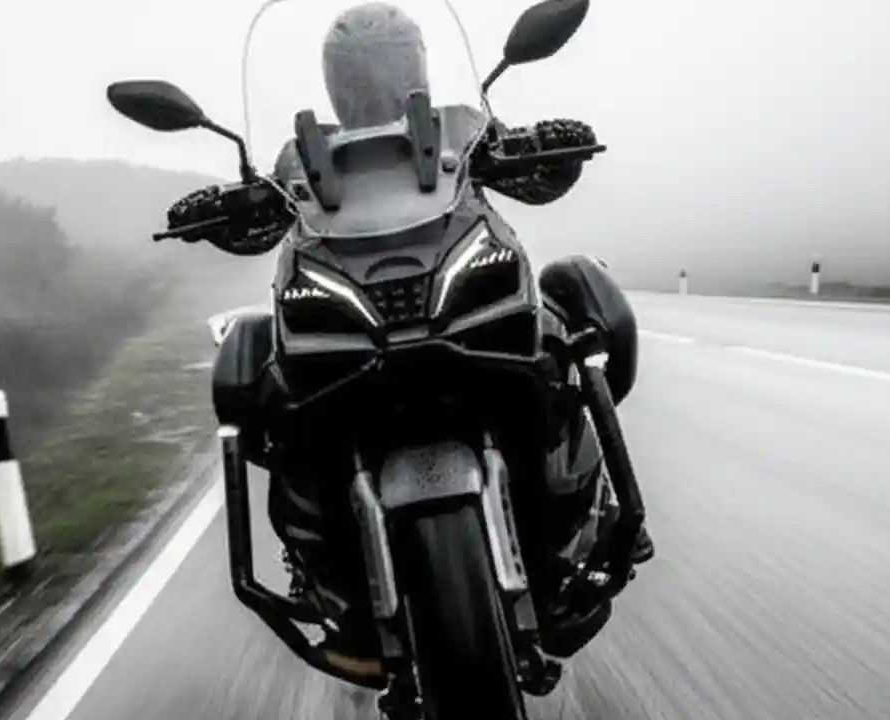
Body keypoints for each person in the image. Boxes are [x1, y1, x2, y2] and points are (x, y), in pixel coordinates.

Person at [167, 2, 653, 576]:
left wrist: (551, 148)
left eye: (389, 65)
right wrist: (220, 213)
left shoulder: (462, 126)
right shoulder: (296, 156)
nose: (377, 82)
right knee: (248, 360)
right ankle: (314, 546)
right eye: (360, 72)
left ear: (416, 66)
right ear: (335, 81)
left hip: (466, 283)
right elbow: (262, 228)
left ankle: (598, 500)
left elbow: (535, 184)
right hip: (343, 308)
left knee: (575, 293)